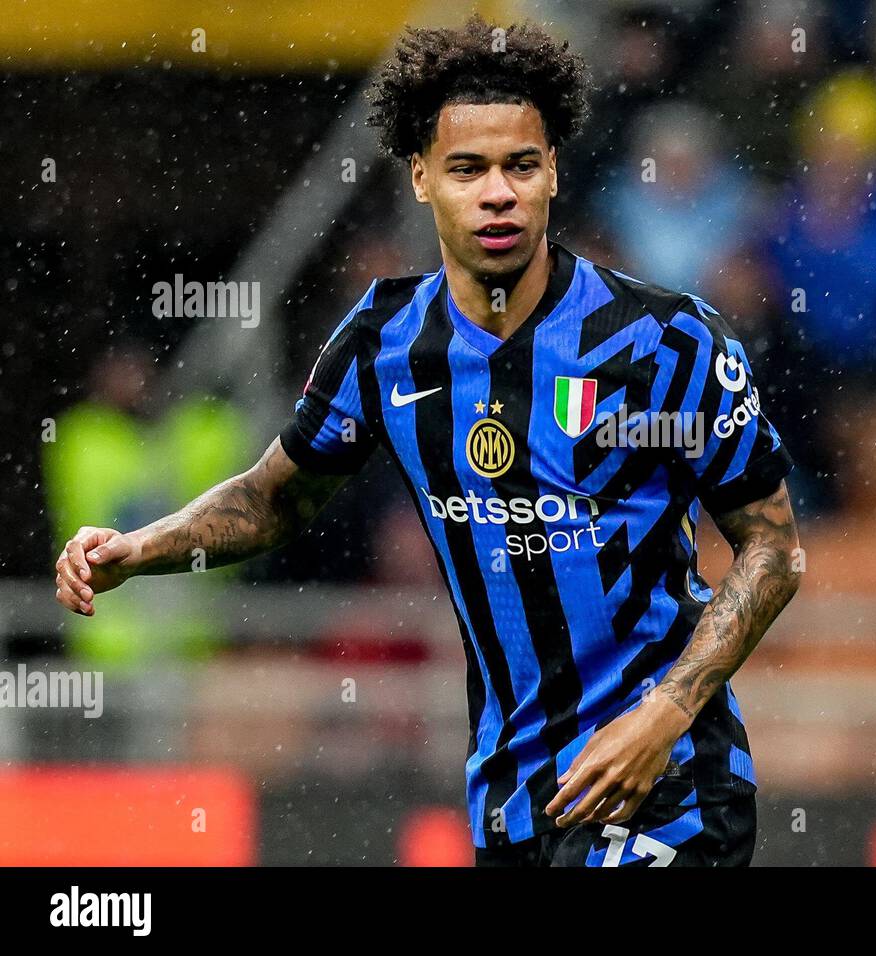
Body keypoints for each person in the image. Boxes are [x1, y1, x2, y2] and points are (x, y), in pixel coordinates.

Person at [51, 14, 801, 868]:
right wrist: (141, 546)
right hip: (514, 798)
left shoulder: (666, 342)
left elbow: (773, 549)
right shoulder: (385, 344)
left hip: (669, 788)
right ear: (420, 179)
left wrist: (661, 717)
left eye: (522, 164)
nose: (498, 192)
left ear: (554, 170)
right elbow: (273, 497)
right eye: (468, 168)